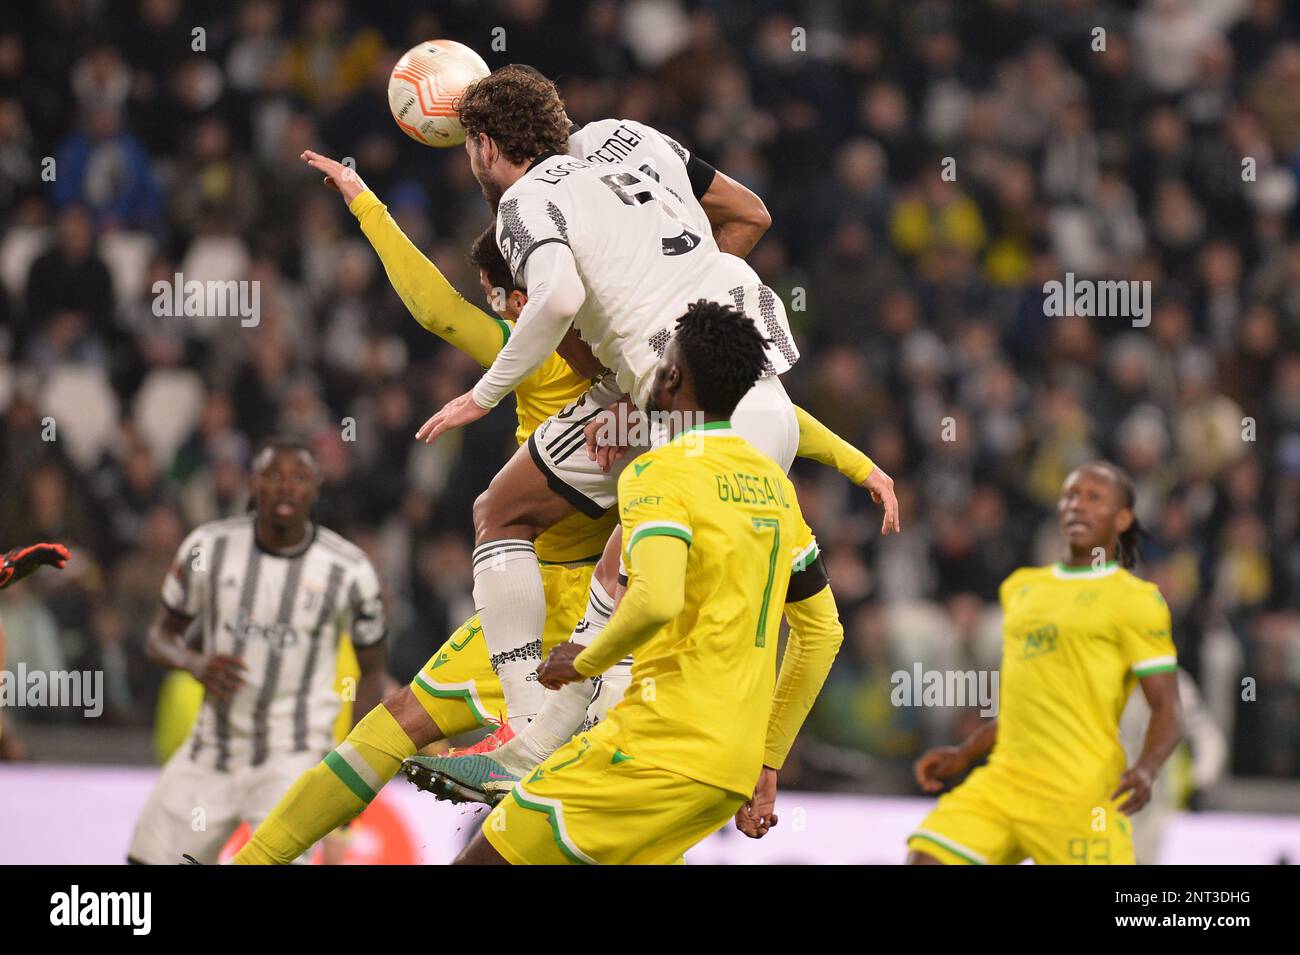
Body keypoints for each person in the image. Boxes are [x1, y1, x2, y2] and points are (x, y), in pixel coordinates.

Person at [228, 153, 885, 864]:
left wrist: (365, 206)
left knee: (403, 733)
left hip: (571, 601)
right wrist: (858, 463)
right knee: (562, 819)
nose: (496, 306)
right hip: (605, 605)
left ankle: (271, 851)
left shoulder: (543, 353)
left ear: (518, 296)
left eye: (498, 293)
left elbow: (434, 310)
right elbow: (759, 410)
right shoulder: (641, 351)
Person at [414, 65, 897, 743]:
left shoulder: (523, 204)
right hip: (727, 390)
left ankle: (549, 737)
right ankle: (534, 734)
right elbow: (751, 212)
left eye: (470, 148)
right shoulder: (627, 137)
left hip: (693, 414)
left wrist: (481, 393)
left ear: (487, 146)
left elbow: (553, 301)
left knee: (627, 574)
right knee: (510, 508)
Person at [454, 302, 842, 864]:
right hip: (728, 770)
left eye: (663, 360)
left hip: (657, 746)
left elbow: (657, 599)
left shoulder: (658, 474)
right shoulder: (775, 490)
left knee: (485, 857)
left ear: (673, 377)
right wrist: (768, 759)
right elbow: (822, 633)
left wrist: (582, 660)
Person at [906, 462, 1183, 865]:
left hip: (1079, 794)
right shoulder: (1022, 589)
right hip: (1004, 783)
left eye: (1094, 497)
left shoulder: (1136, 601)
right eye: (1070, 495)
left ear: (1122, 518)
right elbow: (1025, 706)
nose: (1078, 506)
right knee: (926, 857)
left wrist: (1146, 769)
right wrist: (966, 752)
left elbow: (1168, 708)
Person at [126, 438, 387, 864]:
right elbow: (159, 636)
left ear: (315, 488)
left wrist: (353, 766)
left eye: (298, 477)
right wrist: (194, 662)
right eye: (272, 476)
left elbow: (373, 669)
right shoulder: (208, 548)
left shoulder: (350, 570)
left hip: (293, 757)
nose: (285, 487)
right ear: (252, 484)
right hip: (212, 748)